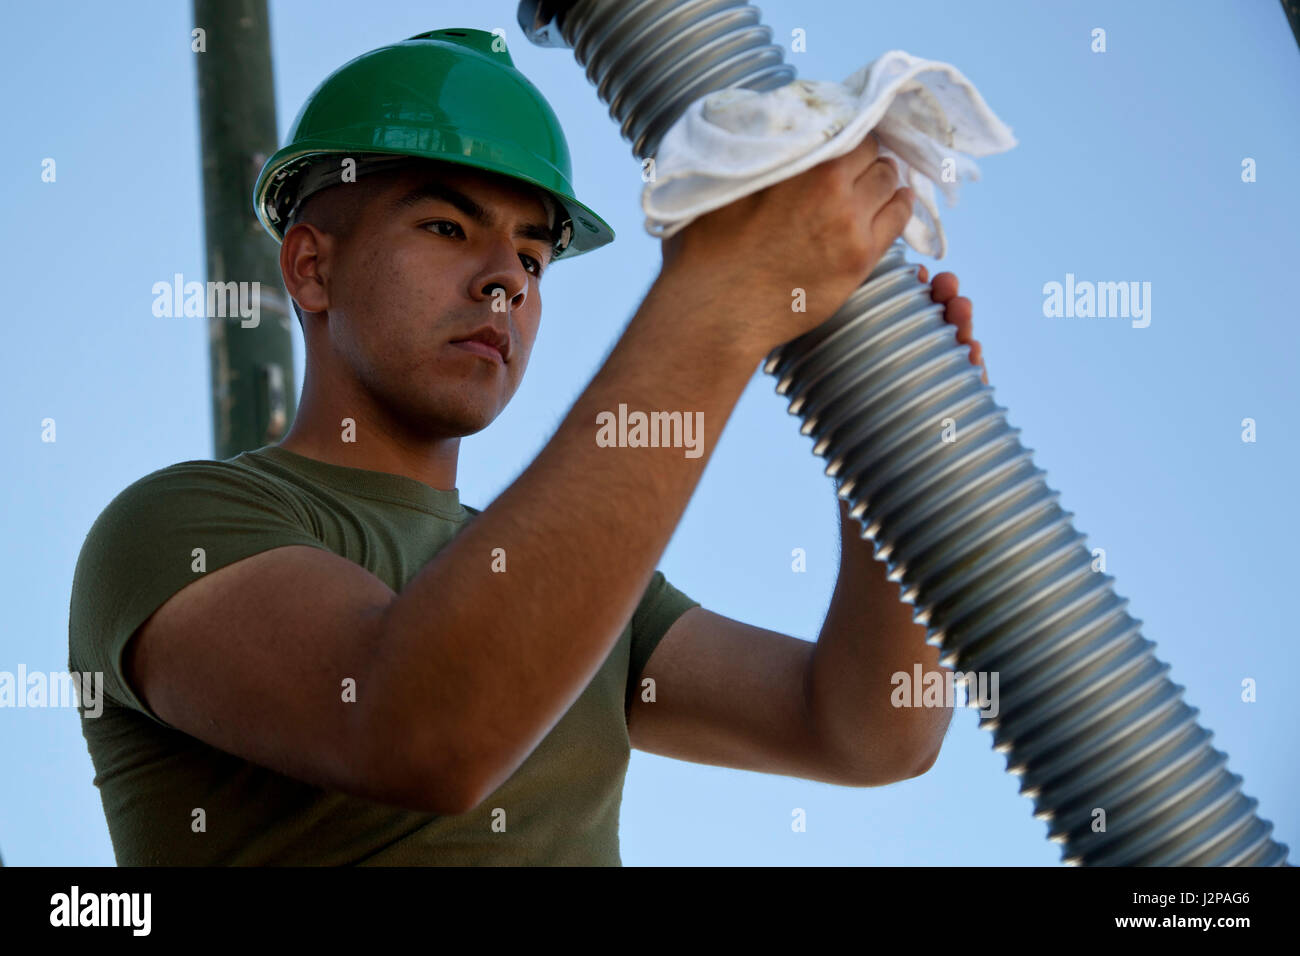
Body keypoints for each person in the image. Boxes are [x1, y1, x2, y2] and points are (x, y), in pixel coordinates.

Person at [68, 28, 983, 865]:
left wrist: (897, 460)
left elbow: (869, 732)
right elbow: (419, 727)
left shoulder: (579, 592)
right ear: (312, 265)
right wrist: (719, 302)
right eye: (445, 227)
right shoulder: (177, 526)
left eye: (534, 258)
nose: (505, 278)